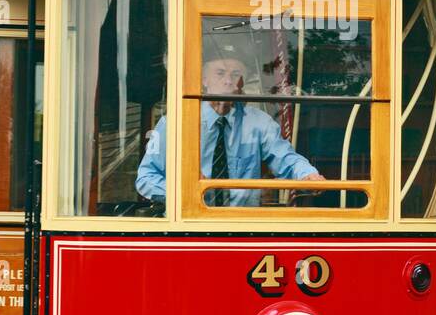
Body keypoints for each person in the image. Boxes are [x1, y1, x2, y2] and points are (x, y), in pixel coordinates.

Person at [136, 50, 324, 207]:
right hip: (190, 220)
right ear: (204, 80)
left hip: (242, 225)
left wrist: (307, 175)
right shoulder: (174, 123)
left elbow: (286, 159)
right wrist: (182, 192)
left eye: (235, 75)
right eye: (220, 73)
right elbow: (146, 178)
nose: (228, 81)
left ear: (242, 83)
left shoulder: (260, 123)